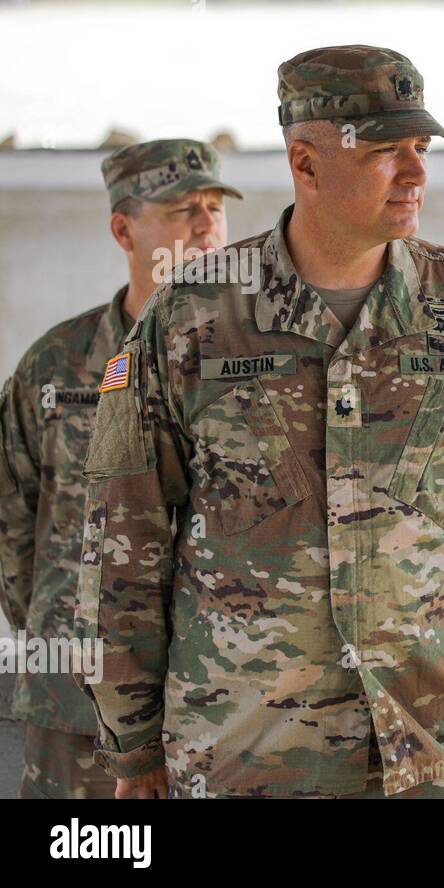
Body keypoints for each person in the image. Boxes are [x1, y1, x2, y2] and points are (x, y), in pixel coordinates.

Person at [76, 45, 444, 799]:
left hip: (422, 751)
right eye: (384, 152)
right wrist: (133, 744)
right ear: (305, 164)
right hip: (241, 752)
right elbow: (125, 539)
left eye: (419, 148)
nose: (415, 174)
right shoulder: (192, 318)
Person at [0, 139, 241, 797]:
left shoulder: (265, 366)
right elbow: (11, 523)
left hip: (227, 707)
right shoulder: (56, 366)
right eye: (182, 208)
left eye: (215, 207)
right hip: (77, 710)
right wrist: (71, 632)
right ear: (123, 229)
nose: (205, 226)